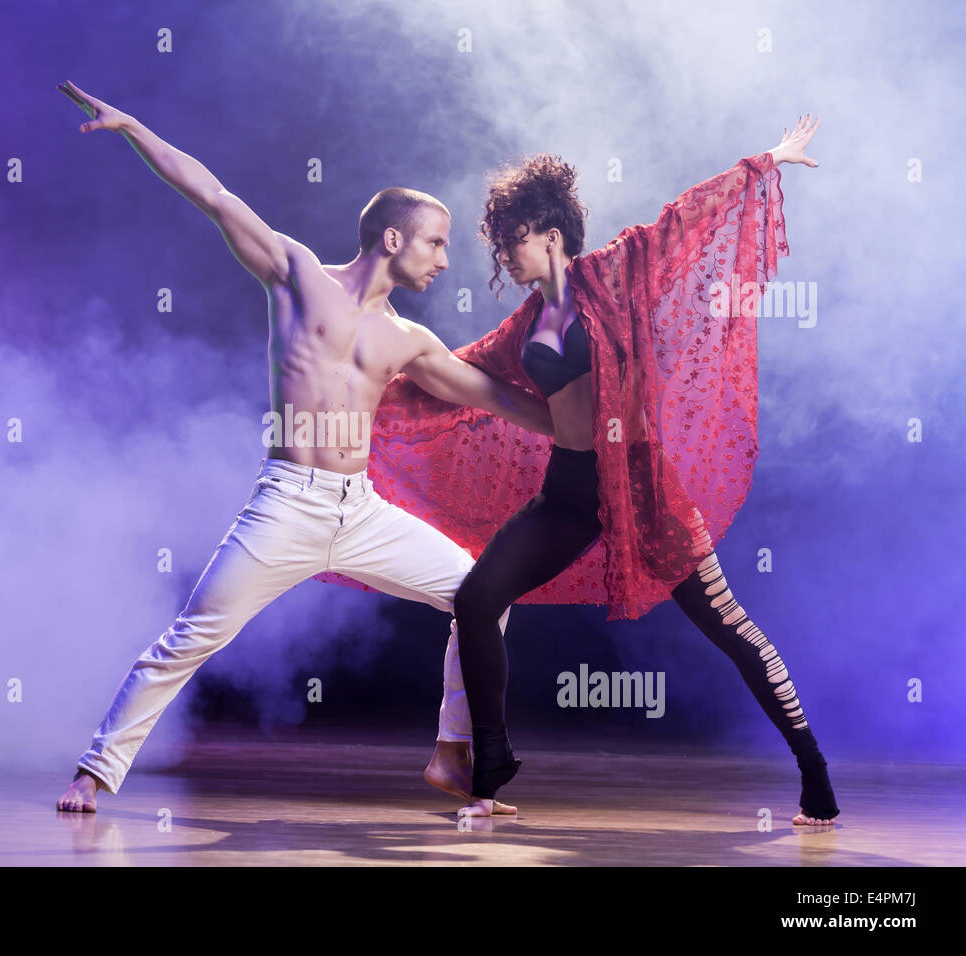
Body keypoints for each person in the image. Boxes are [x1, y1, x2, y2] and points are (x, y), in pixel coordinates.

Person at [52, 81, 551, 812]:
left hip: (362, 511)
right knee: (191, 637)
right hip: (286, 506)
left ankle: (451, 752)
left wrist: (585, 424)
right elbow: (214, 195)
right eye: (436, 242)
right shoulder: (297, 275)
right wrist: (135, 129)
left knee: (484, 594)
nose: (445, 259)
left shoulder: (410, 339)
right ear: (393, 239)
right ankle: (95, 772)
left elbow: (497, 398)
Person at [356, 115, 840, 825]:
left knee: (733, 630)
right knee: (476, 598)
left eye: (512, 239)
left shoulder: (617, 272)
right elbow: (448, 374)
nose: (503, 255)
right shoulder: (524, 326)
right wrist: (363, 394)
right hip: (569, 494)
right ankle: (488, 771)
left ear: (551, 235)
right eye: (499, 243)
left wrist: (765, 161)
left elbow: (685, 220)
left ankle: (814, 773)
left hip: (645, 492)